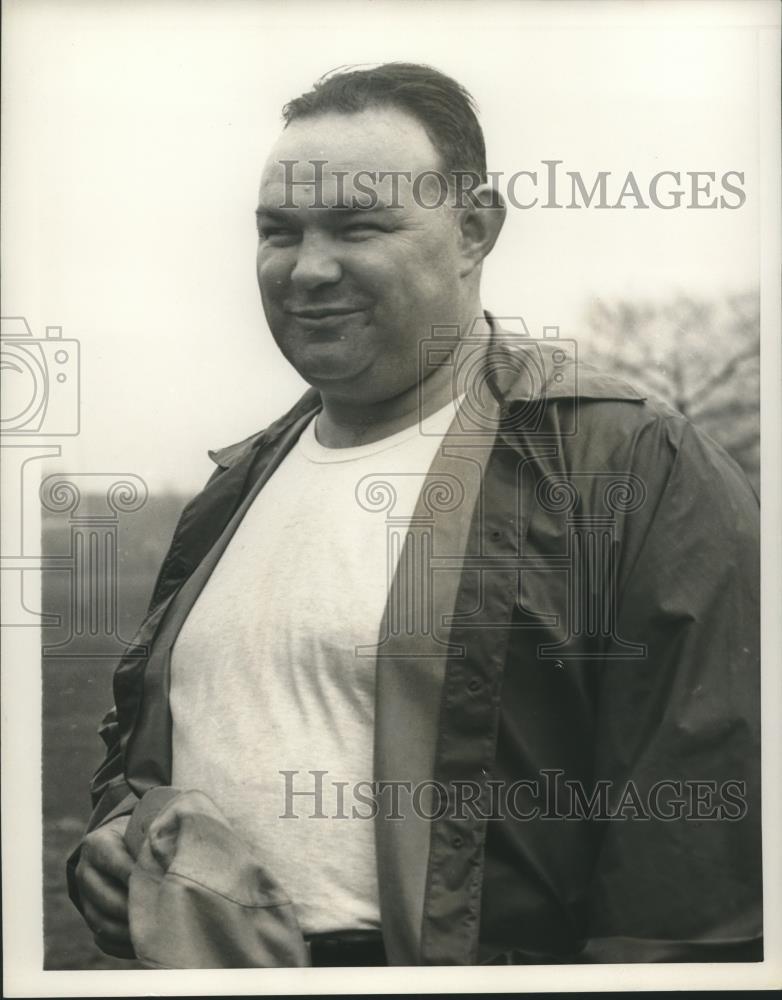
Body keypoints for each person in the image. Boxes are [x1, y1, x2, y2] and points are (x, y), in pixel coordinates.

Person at [68, 63, 762, 966]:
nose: (308, 269)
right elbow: (146, 738)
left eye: (360, 226)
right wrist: (116, 831)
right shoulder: (231, 488)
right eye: (280, 232)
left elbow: (697, 857)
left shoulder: (631, 466)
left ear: (474, 229)